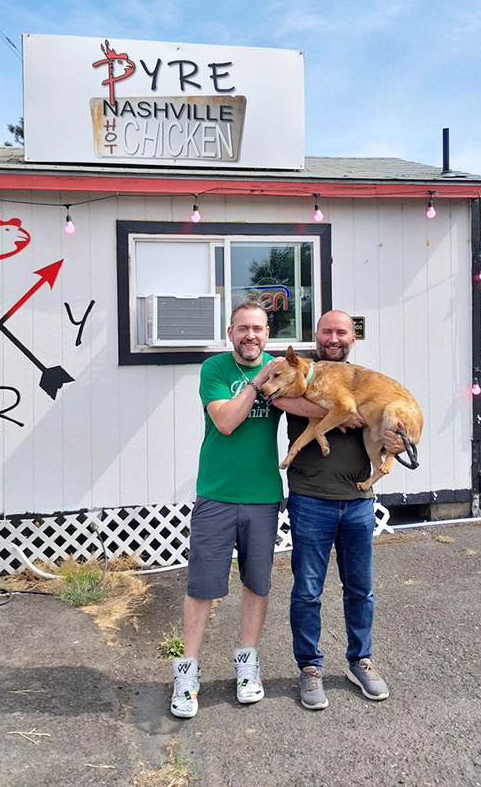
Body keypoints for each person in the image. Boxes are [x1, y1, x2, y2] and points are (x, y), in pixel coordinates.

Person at [272, 309, 404, 711]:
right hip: (311, 497)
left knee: (360, 590)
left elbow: (386, 423)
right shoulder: (294, 375)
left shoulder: (364, 380)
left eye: (342, 332)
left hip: (359, 501)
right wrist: (341, 411)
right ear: (316, 335)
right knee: (308, 591)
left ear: (352, 338)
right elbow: (280, 398)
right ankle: (309, 668)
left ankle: (360, 660)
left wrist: (396, 440)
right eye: (327, 331)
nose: (334, 338)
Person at [170, 300, 283, 719]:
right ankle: (187, 674)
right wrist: (257, 384)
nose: (250, 336)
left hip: (263, 494)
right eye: (242, 329)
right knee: (202, 587)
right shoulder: (215, 370)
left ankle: (247, 666)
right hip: (216, 494)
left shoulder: (280, 367)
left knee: (257, 584)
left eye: (257, 328)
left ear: (267, 333)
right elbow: (226, 422)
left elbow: (309, 405)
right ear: (230, 332)